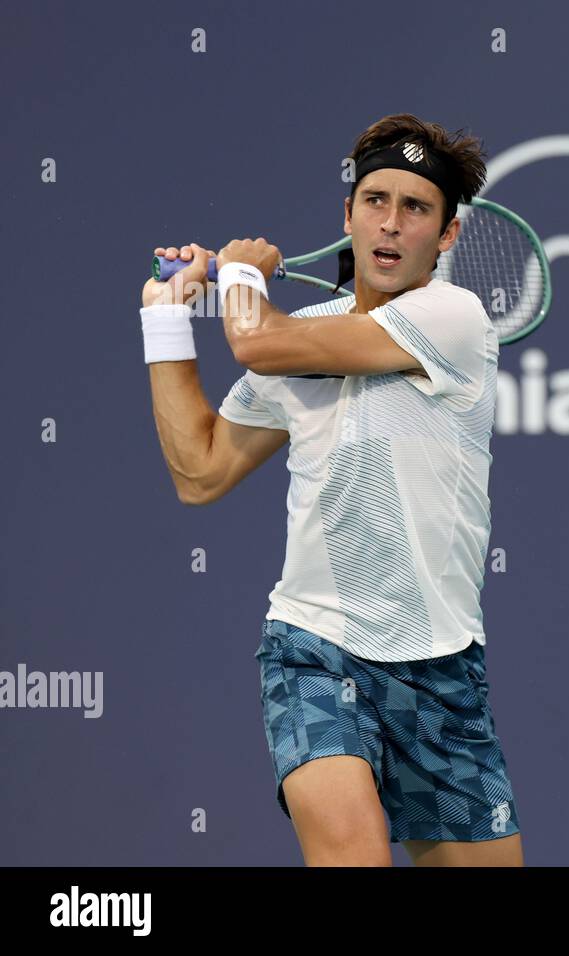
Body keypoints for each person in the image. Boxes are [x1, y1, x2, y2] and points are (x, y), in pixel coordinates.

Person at [138, 114, 522, 866]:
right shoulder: (306, 327)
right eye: (375, 200)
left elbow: (258, 340)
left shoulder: (455, 319)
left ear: (446, 237)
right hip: (315, 653)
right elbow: (201, 471)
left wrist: (242, 274)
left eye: (416, 208)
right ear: (347, 215)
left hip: (443, 670)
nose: (390, 223)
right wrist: (165, 326)